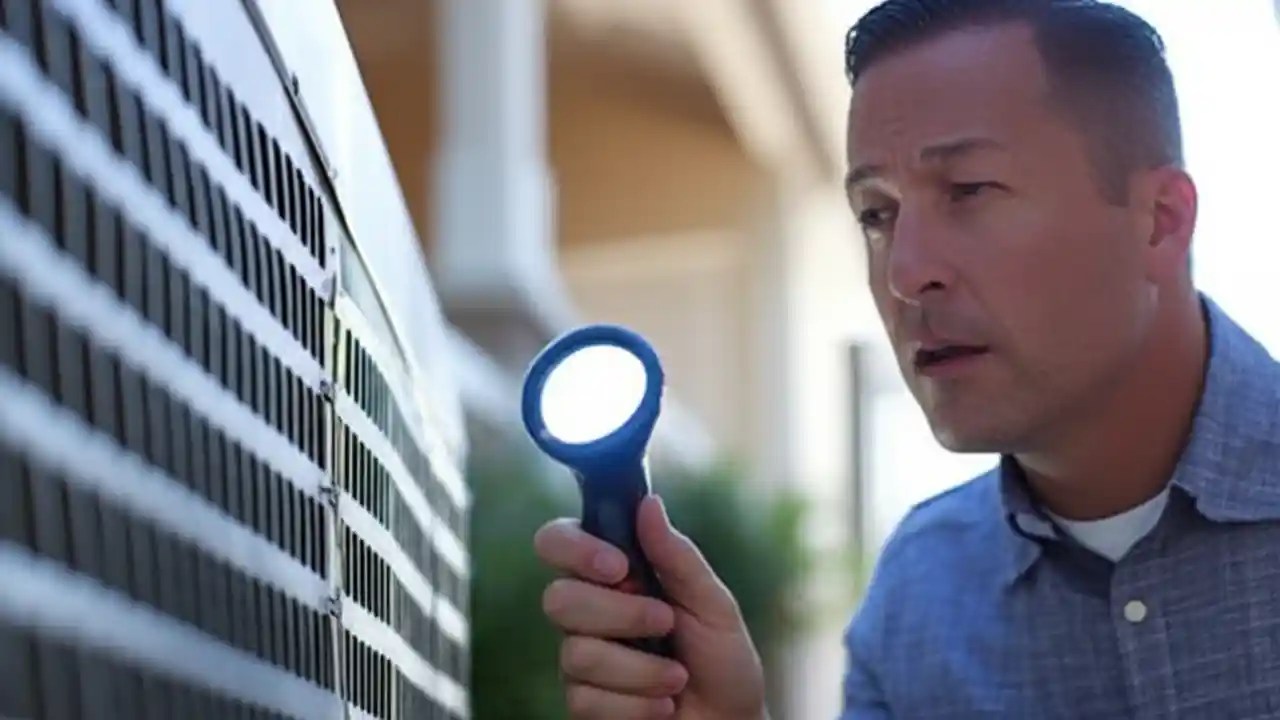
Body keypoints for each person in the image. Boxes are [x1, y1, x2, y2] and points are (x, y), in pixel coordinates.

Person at [532, 0, 1280, 717]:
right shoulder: (920, 595)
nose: (905, 272)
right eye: (877, 215)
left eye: (969, 190)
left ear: (1159, 221)